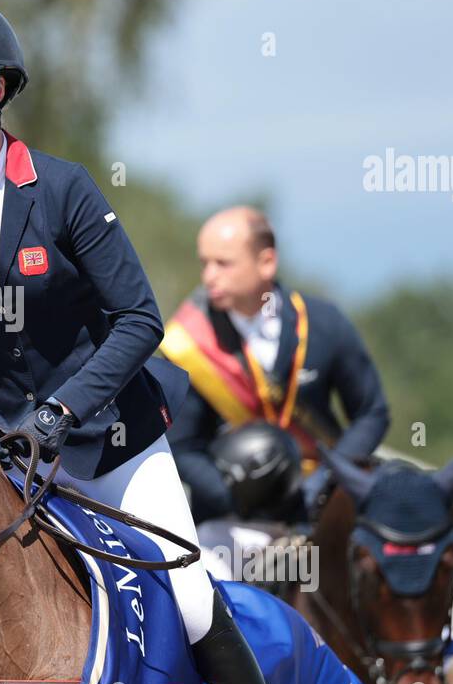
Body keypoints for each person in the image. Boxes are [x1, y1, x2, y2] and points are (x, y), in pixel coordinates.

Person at [0, 0, 278, 684]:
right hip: (2, 451)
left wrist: (62, 411)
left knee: (189, 596)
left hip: (111, 440)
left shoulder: (64, 189)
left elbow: (140, 320)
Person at [160, 207, 390, 524]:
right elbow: (182, 447)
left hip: (321, 507)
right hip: (228, 519)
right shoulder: (187, 343)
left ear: (266, 262)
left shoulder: (324, 322)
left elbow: (372, 413)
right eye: (205, 263)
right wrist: (242, 503)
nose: (209, 276)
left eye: (223, 263)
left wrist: (327, 480)